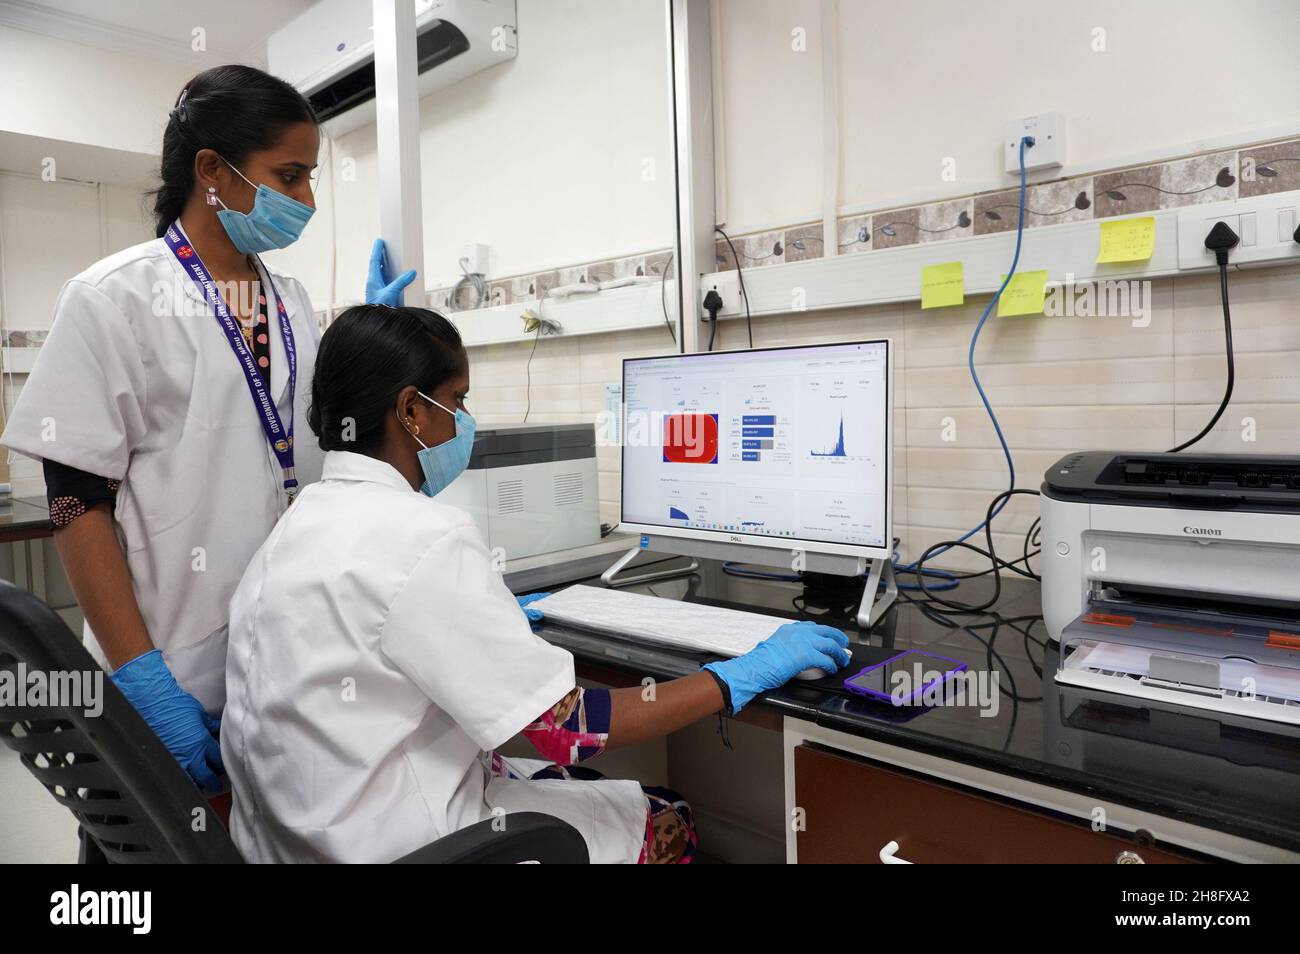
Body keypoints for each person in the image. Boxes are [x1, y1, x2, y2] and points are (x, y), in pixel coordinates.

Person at [221, 304, 852, 864]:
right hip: (410, 844)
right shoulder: (424, 535)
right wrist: (735, 677)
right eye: (457, 402)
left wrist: (487, 625)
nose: (463, 422)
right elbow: (571, 732)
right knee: (670, 820)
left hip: (293, 841)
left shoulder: (295, 526)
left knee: (555, 779)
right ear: (411, 410)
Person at [0, 64, 414, 798]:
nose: (306, 200)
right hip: (172, 659)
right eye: (289, 176)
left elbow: (309, 444)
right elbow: (74, 503)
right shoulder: (113, 297)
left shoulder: (290, 303)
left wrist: (378, 345)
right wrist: (144, 682)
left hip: (288, 658)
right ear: (211, 170)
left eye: (310, 178)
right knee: (155, 854)